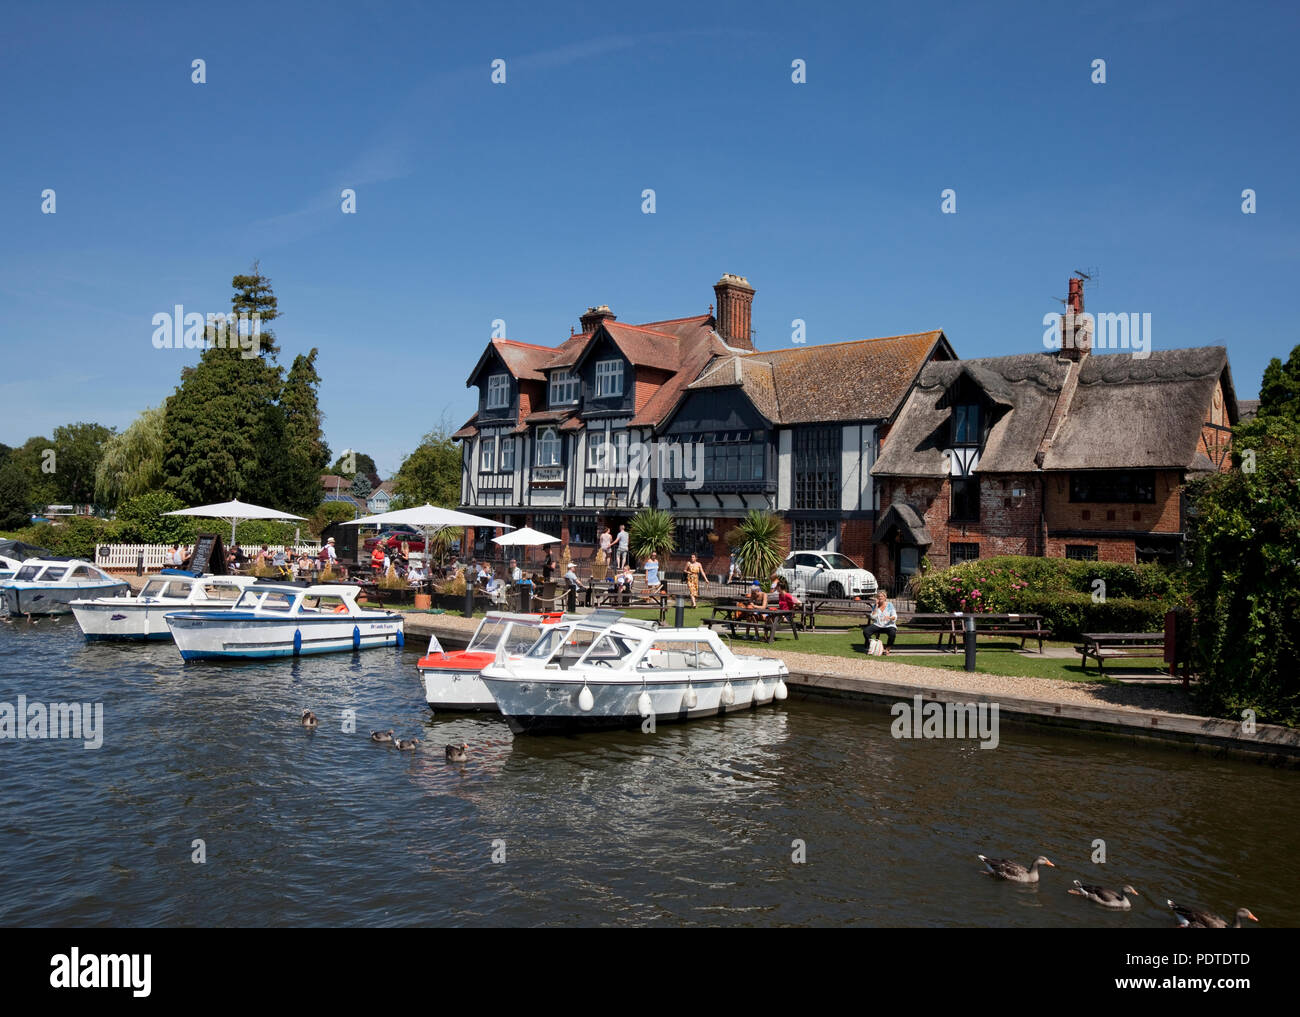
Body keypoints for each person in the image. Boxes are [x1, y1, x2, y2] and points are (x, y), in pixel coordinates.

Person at [862, 590, 898, 655]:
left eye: (881, 596)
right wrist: (876, 606)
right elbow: (873, 617)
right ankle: (873, 645)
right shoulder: (875, 606)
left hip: (888, 625)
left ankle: (888, 648)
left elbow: (894, 616)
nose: (880, 598)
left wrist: (889, 618)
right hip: (878, 625)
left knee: (892, 633)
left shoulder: (890, 605)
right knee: (866, 631)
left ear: (885, 597)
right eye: (878, 596)